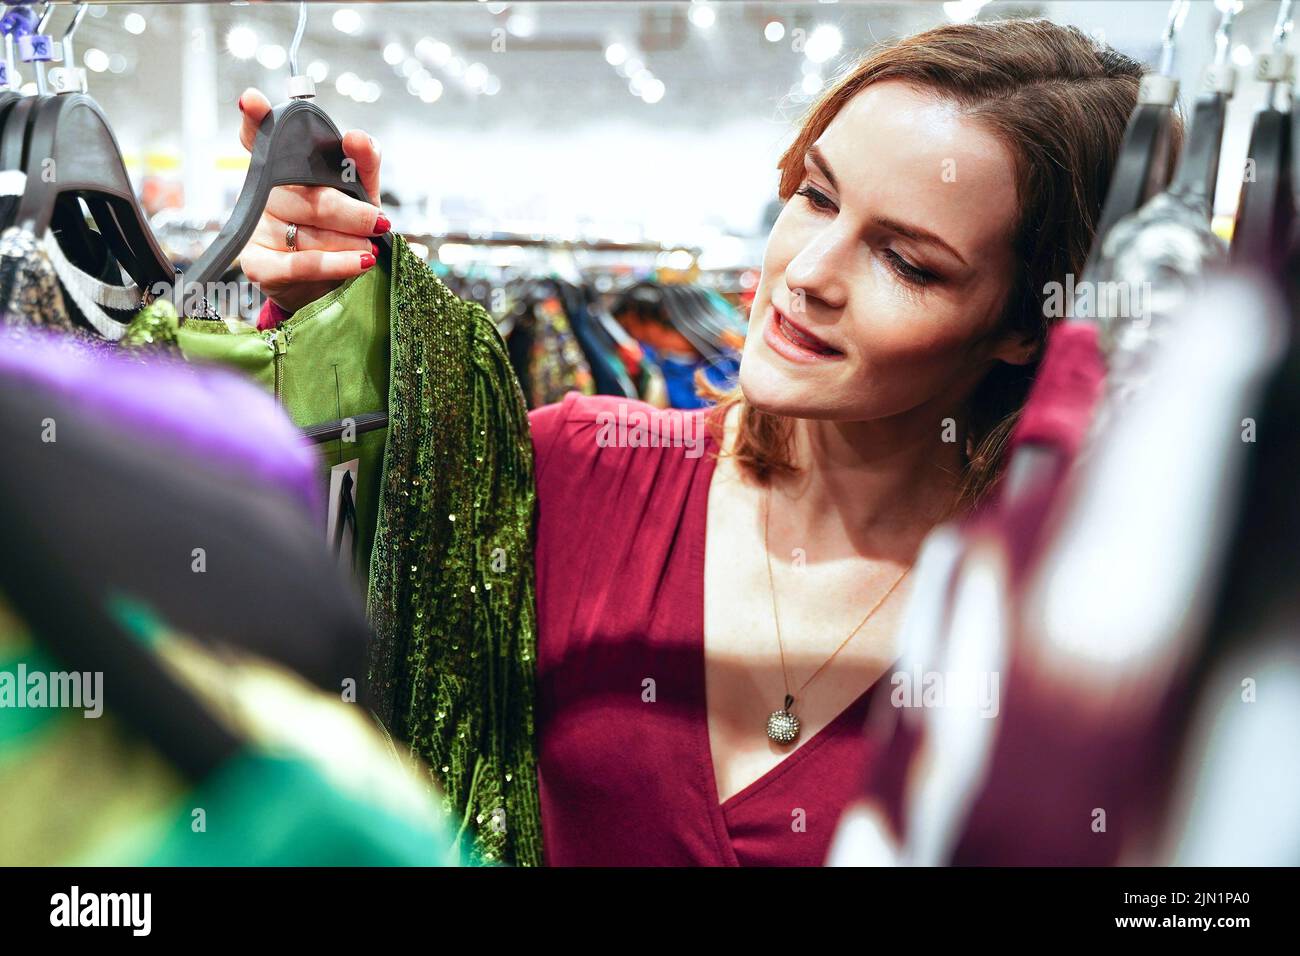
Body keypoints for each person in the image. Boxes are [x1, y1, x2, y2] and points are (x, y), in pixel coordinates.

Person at [233, 18, 1176, 865]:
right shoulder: (571, 469)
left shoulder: (1048, 623)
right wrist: (334, 329)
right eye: (815, 196)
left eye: (905, 262)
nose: (806, 274)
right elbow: (312, 622)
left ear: (1028, 324)